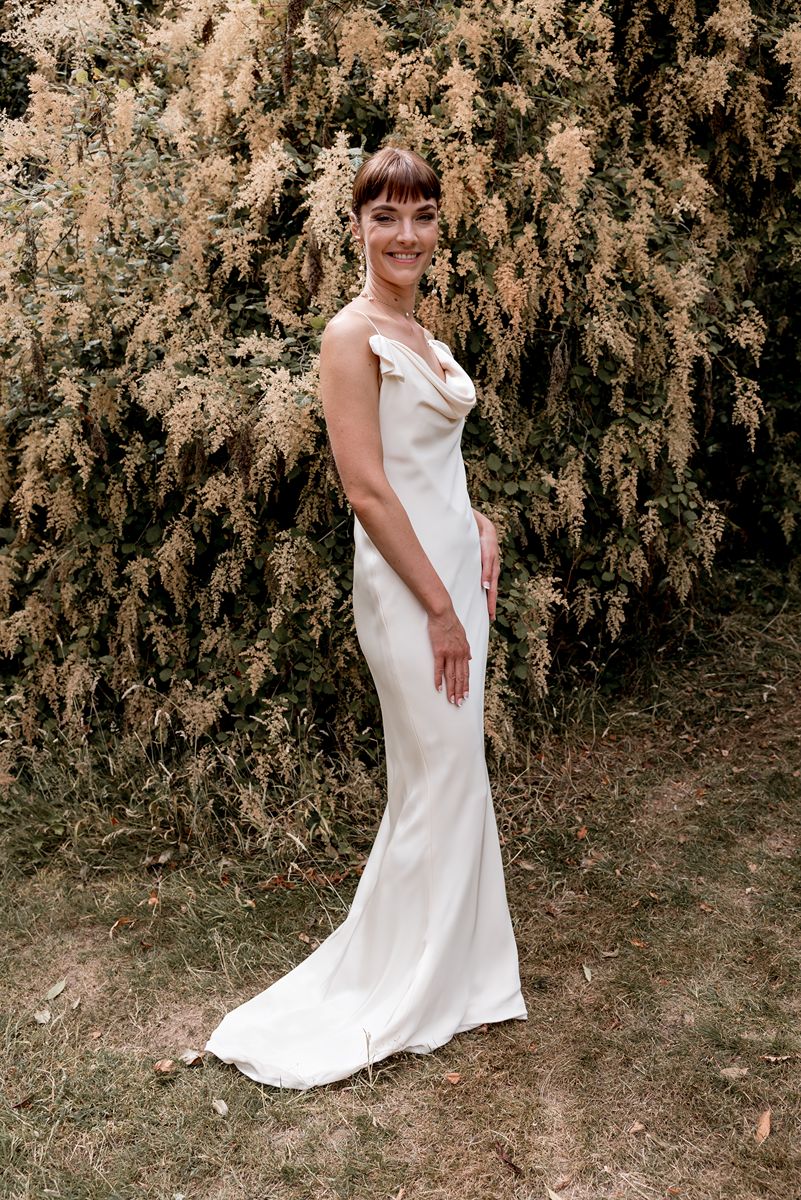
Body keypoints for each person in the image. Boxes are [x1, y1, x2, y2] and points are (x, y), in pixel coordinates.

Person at [204, 146, 527, 1089]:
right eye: (385, 216)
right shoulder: (351, 337)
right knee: (438, 773)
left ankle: (454, 974)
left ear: (437, 228)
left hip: (451, 572)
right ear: (356, 226)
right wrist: (439, 607)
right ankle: (412, 985)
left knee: (446, 773)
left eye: (421, 216)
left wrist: (478, 521)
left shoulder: (421, 330)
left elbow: (426, 462)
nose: (405, 235)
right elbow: (366, 489)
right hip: (408, 590)